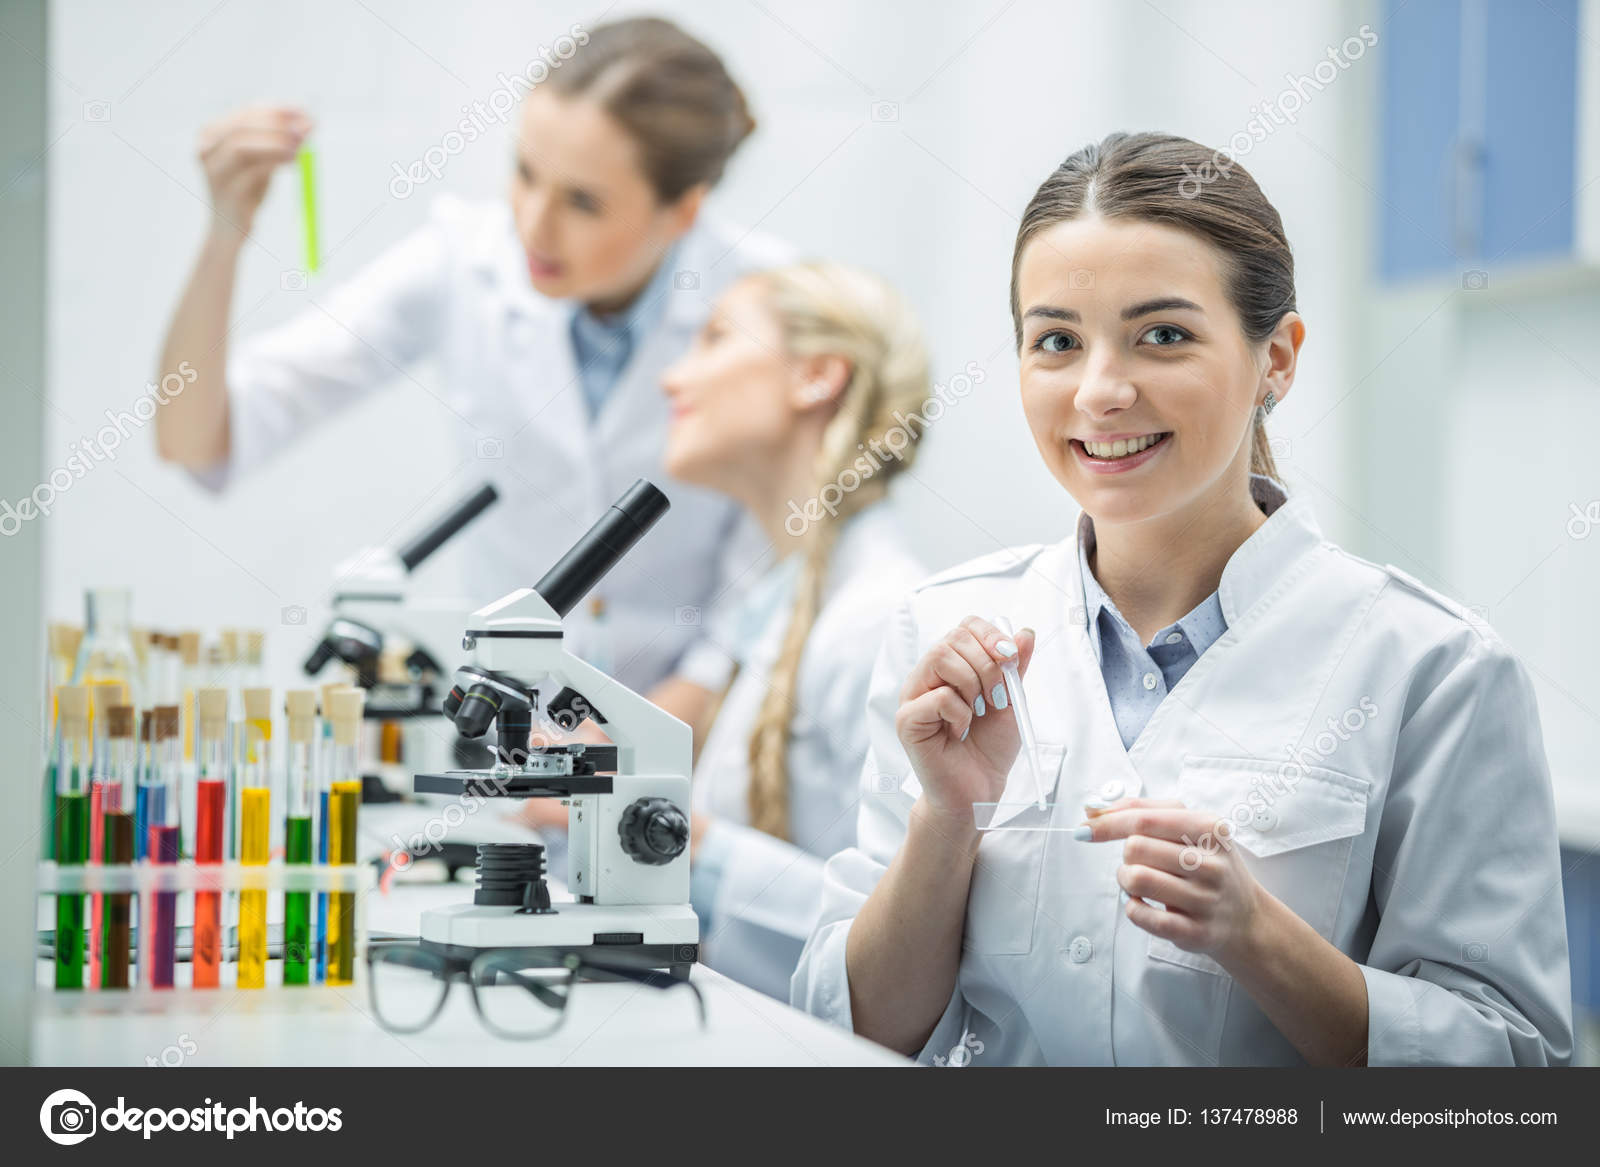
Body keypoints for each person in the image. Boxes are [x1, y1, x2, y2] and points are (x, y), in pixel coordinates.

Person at [792, 132, 1573, 1066]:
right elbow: (855, 1031)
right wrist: (947, 820)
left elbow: (1514, 1064)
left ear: (1276, 359)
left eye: (1163, 335)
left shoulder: (1431, 669)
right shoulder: (945, 634)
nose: (1101, 390)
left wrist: (1258, 938)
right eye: (1056, 342)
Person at [153, 16, 787, 708]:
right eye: (525, 173)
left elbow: (763, 588)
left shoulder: (769, 308)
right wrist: (225, 234)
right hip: (500, 736)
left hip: (691, 750)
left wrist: (640, 741)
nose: (533, 225)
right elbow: (194, 438)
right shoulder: (463, 261)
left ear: (682, 211)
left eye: (583, 201)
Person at [526, 262, 931, 999]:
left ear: (816, 377)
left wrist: (684, 842)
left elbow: (912, 941)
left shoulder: (880, 621)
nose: (671, 379)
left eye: (715, 339)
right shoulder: (772, 612)